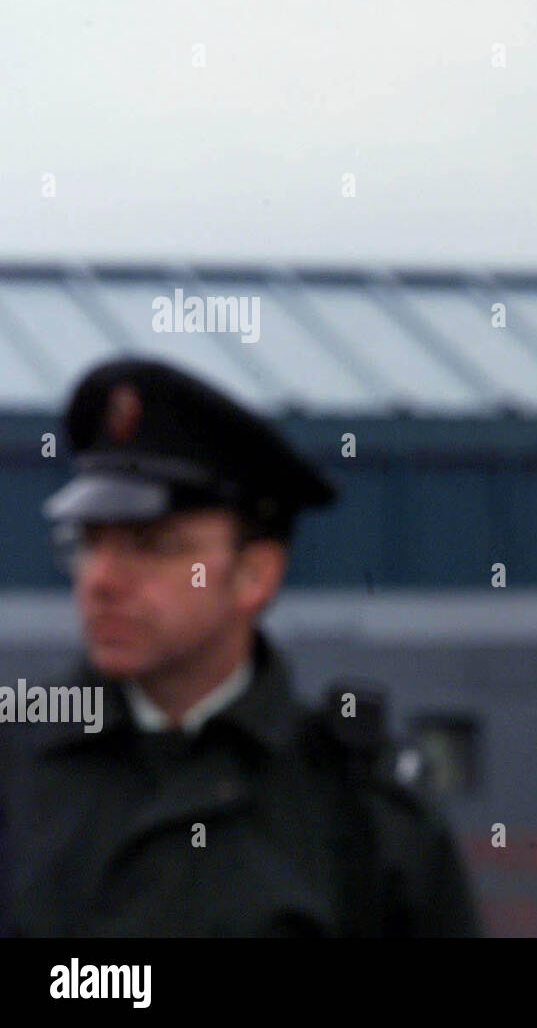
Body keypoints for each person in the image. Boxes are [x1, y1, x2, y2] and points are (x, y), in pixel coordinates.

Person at [0, 356, 478, 937]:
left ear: (254, 576)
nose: (100, 578)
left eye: (152, 545)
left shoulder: (359, 809)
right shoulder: (17, 767)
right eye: (90, 541)